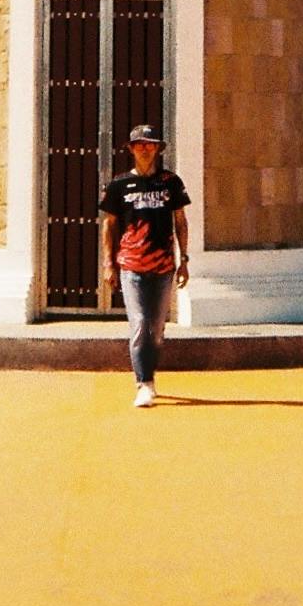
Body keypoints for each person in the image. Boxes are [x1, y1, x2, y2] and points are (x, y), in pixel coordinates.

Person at [98, 124, 189, 408]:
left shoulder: (170, 182)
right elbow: (109, 225)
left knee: (157, 329)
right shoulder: (119, 185)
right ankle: (144, 383)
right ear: (131, 149)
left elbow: (180, 221)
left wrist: (184, 259)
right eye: (139, 144)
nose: (145, 148)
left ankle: (150, 375)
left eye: (150, 144)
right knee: (139, 324)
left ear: (158, 148)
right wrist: (109, 264)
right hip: (131, 266)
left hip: (163, 267)